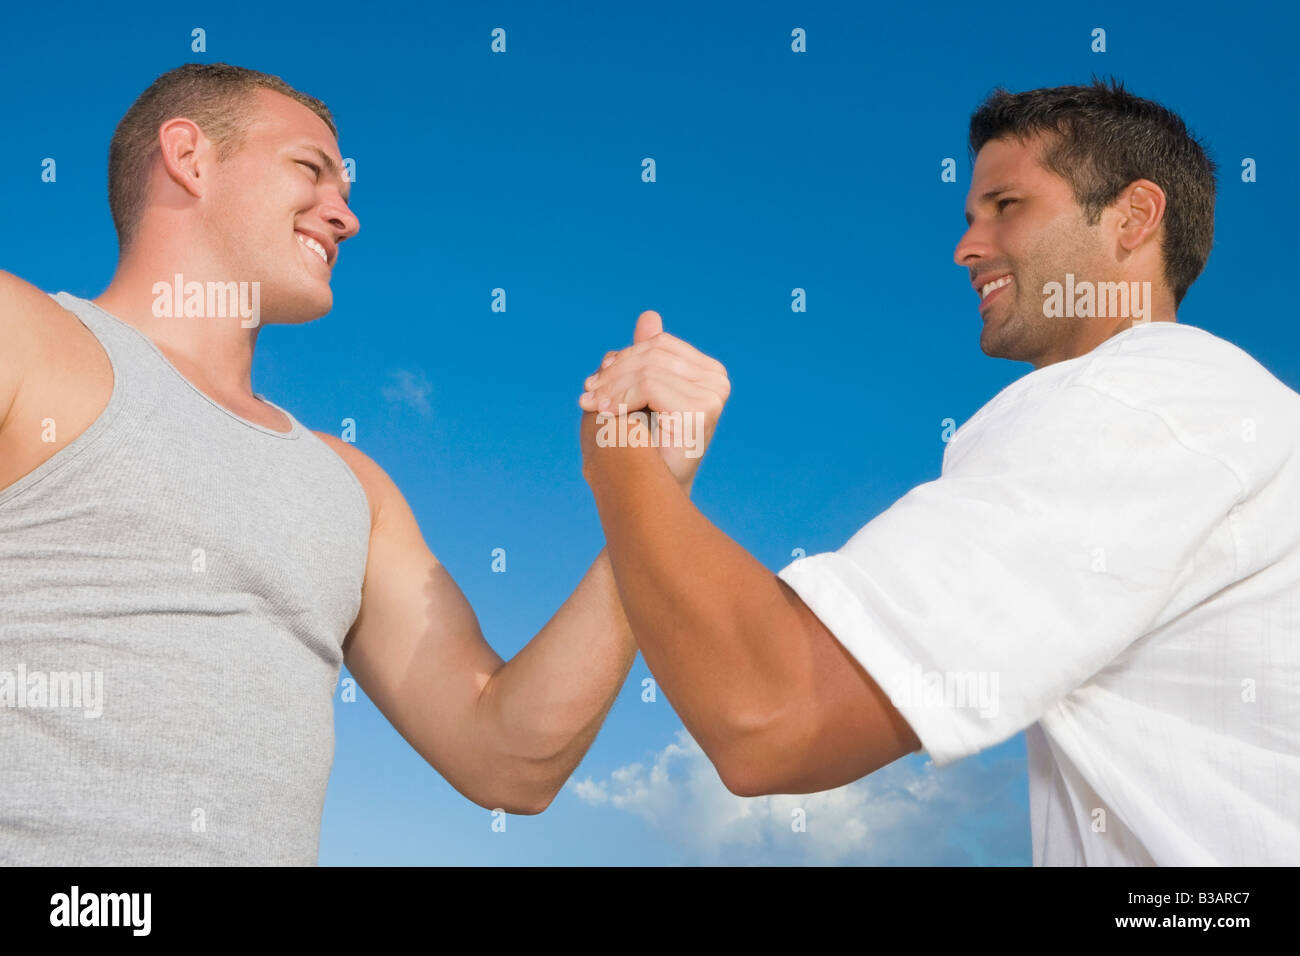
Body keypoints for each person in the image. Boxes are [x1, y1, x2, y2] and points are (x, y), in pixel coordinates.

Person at [0, 62, 726, 865]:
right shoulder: (25, 339)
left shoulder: (352, 486)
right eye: (310, 170)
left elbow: (508, 758)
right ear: (189, 156)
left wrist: (652, 493)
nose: (345, 216)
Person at [578, 78, 1300, 865]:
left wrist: (619, 453)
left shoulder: (1134, 402)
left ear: (1133, 217)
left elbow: (770, 715)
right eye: (969, 217)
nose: (967, 246)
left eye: (1006, 205)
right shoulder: (1237, 416)